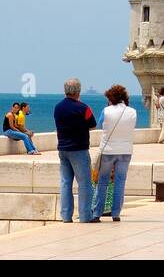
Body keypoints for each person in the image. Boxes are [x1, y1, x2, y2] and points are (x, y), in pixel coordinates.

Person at [53, 78, 97, 223]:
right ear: (78, 91)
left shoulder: (58, 107)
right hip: (79, 149)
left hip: (63, 149)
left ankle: (66, 216)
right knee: (84, 184)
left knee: (65, 183)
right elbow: (93, 125)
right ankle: (85, 216)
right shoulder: (84, 108)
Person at [92, 84, 137, 222]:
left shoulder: (106, 111)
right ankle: (116, 213)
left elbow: (98, 125)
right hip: (125, 151)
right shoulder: (133, 112)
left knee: (103, 182)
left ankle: (97, 213)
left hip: (108, 151)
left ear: (111, 98)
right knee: (120, 182)